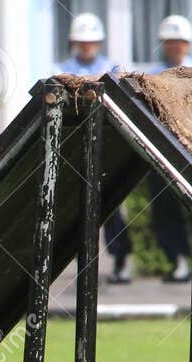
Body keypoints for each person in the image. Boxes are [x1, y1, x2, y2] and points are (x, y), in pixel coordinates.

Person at [58, 14, 134, 284]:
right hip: (75, 149)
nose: (87, 46)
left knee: (113, 208)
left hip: (107, 148)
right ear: (74, 42)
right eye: (82, 42)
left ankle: (121, 261)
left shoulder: (112, 68)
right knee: (77, 211)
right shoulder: (61, 69)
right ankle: (84, 267)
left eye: (91, 42)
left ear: (98, 42)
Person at [148, 15, 192, 282]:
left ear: (187, 45)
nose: (175, 47)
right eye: (170, 42)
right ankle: (178, 260)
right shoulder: (151, 77)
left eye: (179, 42)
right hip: (163, 153)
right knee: (165, 210)